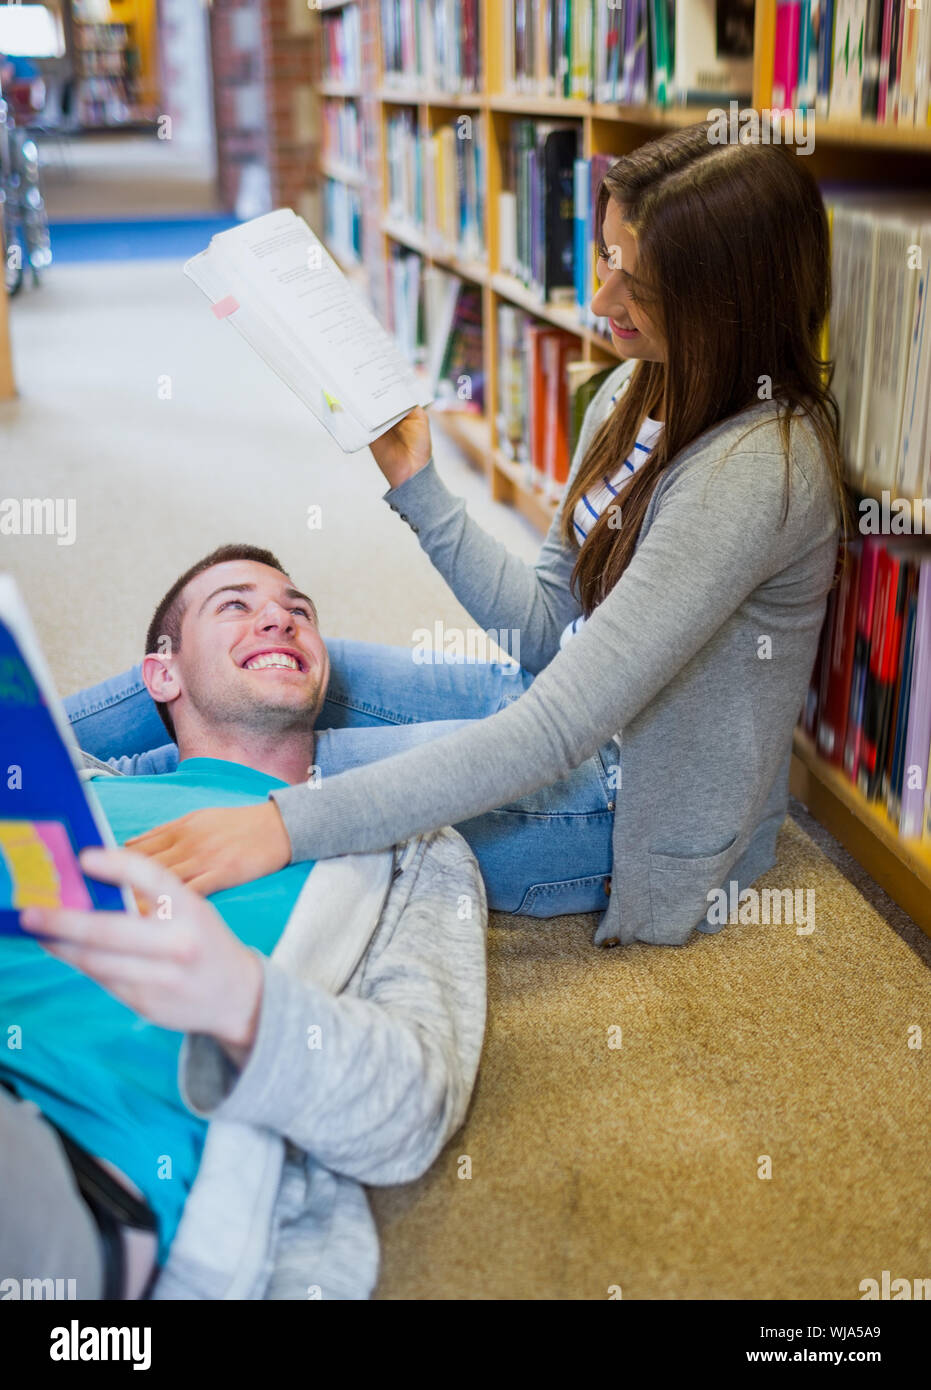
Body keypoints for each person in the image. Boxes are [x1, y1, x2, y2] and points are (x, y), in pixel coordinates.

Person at [64, 122, 846, 949]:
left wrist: (287, 826)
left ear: (726, 304)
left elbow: (558, 730)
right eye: (607, 256)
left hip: (629, 800)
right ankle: (31, 748)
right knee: (254, 678)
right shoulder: (631, 390)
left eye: (639, 284)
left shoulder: (760, 469)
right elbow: (546, 631)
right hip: (552, 704)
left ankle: (79, 817)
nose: (601, 300)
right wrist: (417, 484)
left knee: (278, 771)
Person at [0, 545, 486, 1300]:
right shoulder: (70, 789)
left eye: (299, 612)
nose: (278, 618)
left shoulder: (404, 848)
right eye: (235, 604)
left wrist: (242, 1004)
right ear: (161, 675)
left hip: (74, 1172)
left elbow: (412, 1106)